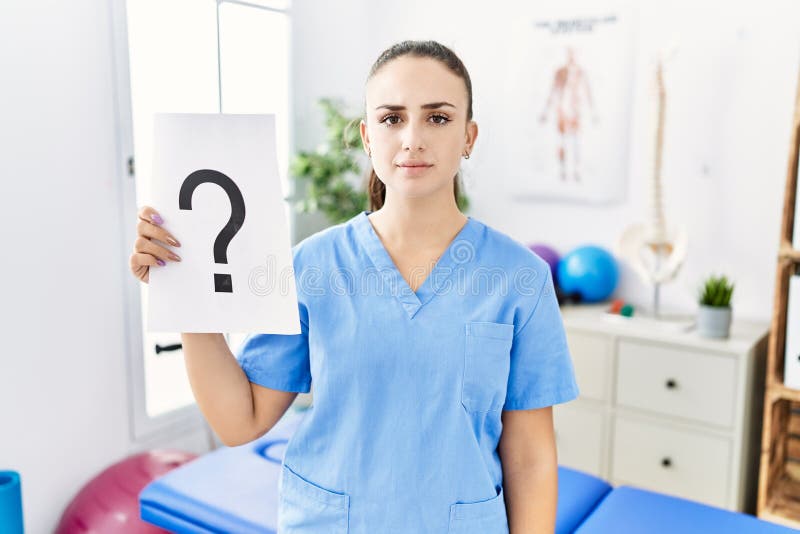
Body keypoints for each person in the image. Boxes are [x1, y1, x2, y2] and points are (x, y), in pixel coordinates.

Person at [130, 40, 579, 534]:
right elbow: (242, 421)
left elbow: (531, 457)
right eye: (391, 119)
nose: (412, 138)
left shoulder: (521, 279)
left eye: (438, 118)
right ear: (367, 136)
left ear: (469, 136)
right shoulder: (310, 267)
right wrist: (188, 290)